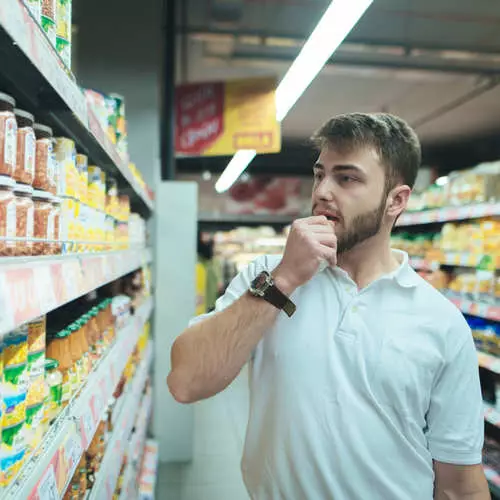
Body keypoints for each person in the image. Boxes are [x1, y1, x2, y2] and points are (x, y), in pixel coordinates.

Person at [167, 113, 489, 500]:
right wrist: (284, 280)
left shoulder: (441, 322)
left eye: (347, 178)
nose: (322, 191)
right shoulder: (266, 277)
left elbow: (460, 486)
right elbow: (185, 381)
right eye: (320, 174)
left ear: (396, 201)